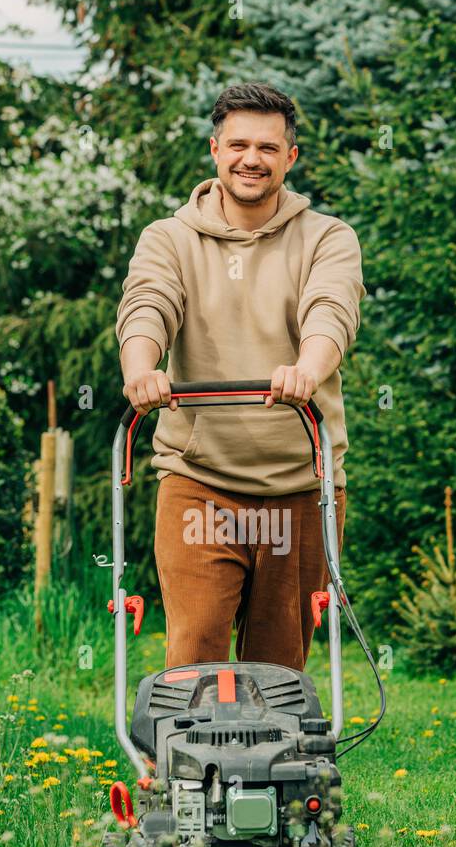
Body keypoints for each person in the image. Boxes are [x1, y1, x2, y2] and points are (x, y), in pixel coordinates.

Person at [116, 82, 365, 671]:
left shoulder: (327, 237)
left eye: (268, 148)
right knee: (196, 647)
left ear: (290, 157)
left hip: (301, 483)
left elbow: (332, 311)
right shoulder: (169, 238)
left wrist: (307, 370)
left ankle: (272, 765)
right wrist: (141, 368)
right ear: (215, 150)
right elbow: (148, 303)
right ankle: (186, 764)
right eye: (238, 145)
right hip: (200, 479)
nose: (251, 158)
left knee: (279, 665)